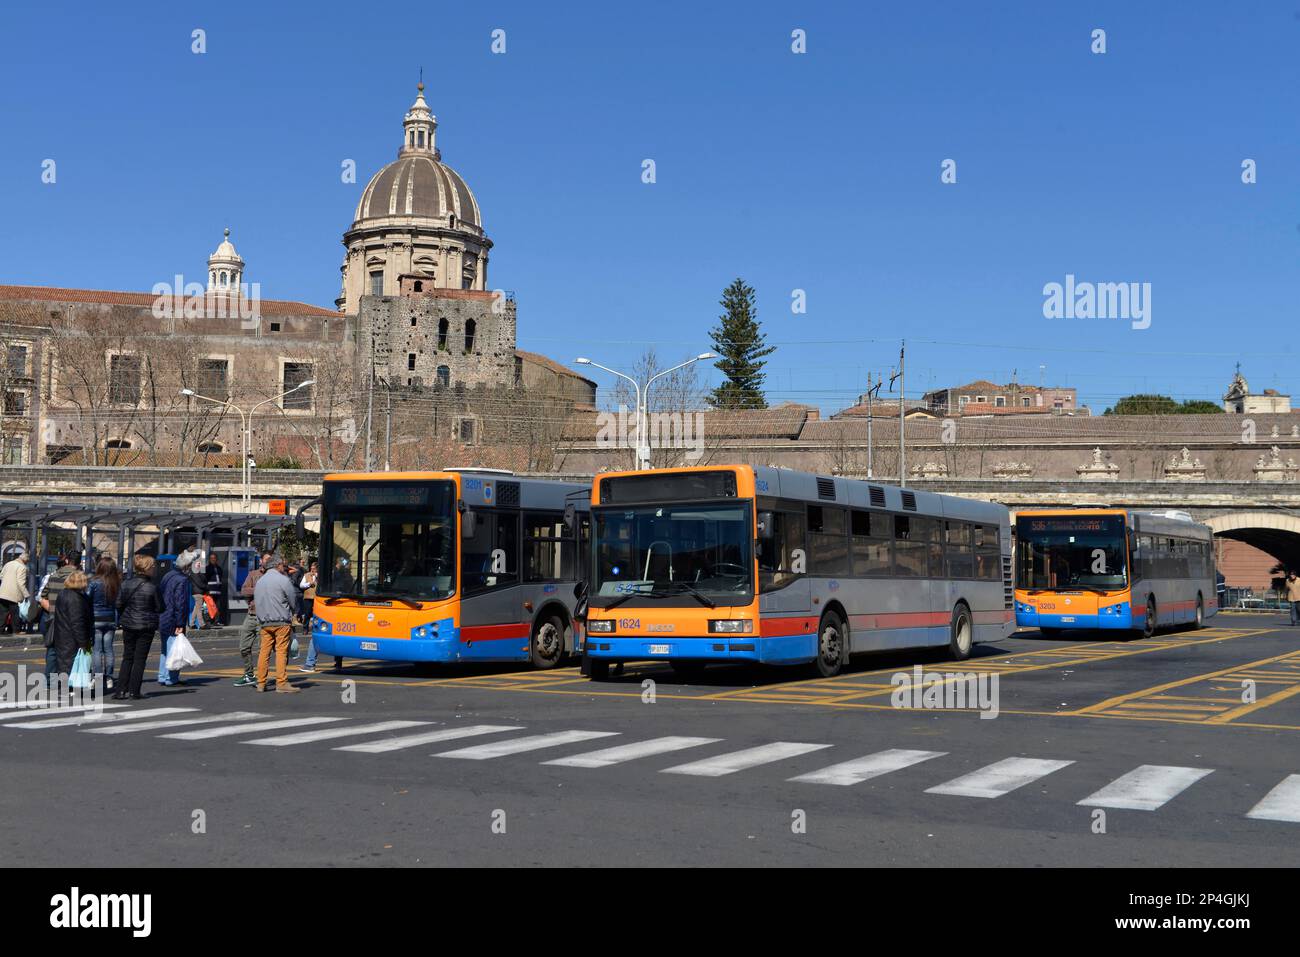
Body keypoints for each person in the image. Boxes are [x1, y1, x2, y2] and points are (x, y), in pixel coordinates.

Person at [115, 555, 162, 700]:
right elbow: (160, 607)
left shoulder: (125, 584)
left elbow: (118, 604)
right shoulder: (152, 587)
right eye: (153, 567)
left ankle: (121, 690)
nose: (154, 569)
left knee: (127, 657)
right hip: (146, 625)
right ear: (147, 568)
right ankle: (134, 691)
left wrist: (127, 614)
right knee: (140, 659)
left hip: (128, 624)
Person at [253, 560, 301, 693]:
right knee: (281, 652)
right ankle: (281, 683)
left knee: (264, 652)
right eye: (282, 565)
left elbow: (257, 600)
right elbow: (292, 599)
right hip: (281, 621)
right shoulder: (283, 580)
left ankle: (261, 683)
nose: (283, 567)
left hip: (264, 622)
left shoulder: (260, 581)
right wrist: (292, 612)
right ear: (277, 566)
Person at [49, 569, 93, 688]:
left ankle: (65, 686)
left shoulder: (63, 593)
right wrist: (83, 642)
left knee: (64, 662)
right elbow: (77, 622)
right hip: (71, 637)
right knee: (74, 662)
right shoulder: (76, 598)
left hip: (62, 634)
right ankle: (72, 686)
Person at [234, 552, 272, 687]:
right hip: (251, 615)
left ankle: (262, 678)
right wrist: (259, 589)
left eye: (270, 559)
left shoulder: (275, 576)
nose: (268, 562)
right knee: (244, 646)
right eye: (266, 559)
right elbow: (244, 590)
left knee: (263, 650)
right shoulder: (253, 574)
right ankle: (249, 674)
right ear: (261, 560)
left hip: (266, 617)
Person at [39, 555, 76, 686]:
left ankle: (49, 681)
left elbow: (42, 597)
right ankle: (67, 681)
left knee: (52, 649)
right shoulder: (77, 578)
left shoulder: (53, 576)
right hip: (70, 619)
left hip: (54, 618)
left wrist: (52, 609)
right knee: (70, 650)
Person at [86, 557, 121, 692]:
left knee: (97, 650)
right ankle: (109, 677)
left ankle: (98, 677)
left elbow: (87, 597)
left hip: (96, 618)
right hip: (111, 618)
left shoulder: (94, 582)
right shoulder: (116, 583)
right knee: (109, 649)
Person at [156, 558, 192, 687]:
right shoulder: (182, 580)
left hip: (164, 616)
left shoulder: (168, 575)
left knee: (165, 649)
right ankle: (171, 678)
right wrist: (180, 623)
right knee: (174, 649)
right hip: (174, 618)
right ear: (186, 566)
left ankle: (162, 675)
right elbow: (180, 603)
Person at [0, 549, 30, 635]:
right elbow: (21, 583)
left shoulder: (8, 564)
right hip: (13, 595)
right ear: (24, 560)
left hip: (2, 593)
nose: (27, 563)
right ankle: (16, 630)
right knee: (15, 613)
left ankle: (0, 631)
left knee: (2, 614)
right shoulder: (22, 567)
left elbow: (1, 576)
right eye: (27, 561)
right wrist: (26, 595)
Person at [179, 548, 207, 631]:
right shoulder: (195, 571)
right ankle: (202, 624)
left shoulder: (197, 570)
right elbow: (199, 582)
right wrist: (206, 587)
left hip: (197, 591)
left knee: (196, 608)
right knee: (199, 608)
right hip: (198, 591)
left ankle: (192, 623)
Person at [299, 561, 319, 674]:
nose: (312, 569)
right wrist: (308, 584)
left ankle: (310, 663)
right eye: (311, 567)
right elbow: (301, 585)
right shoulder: (306, 575)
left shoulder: (319, 576)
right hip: (307, 597)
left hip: (316, 599)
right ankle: (305, 628)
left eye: (314, 567)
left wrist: (315, 578)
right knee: (307, 614)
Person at [205, 551, 227, 626]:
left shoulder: (219, 568)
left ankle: (216, 621)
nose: (213, 560)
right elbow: (205, 580)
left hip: (218, 591)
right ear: (209, 560)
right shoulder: (207, 568)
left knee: (218, 607)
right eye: (211, 558)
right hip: (210, 591)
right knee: (210, 606)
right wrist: (207, 590)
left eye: (214, 558)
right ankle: (209, 621)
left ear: (216, 559)